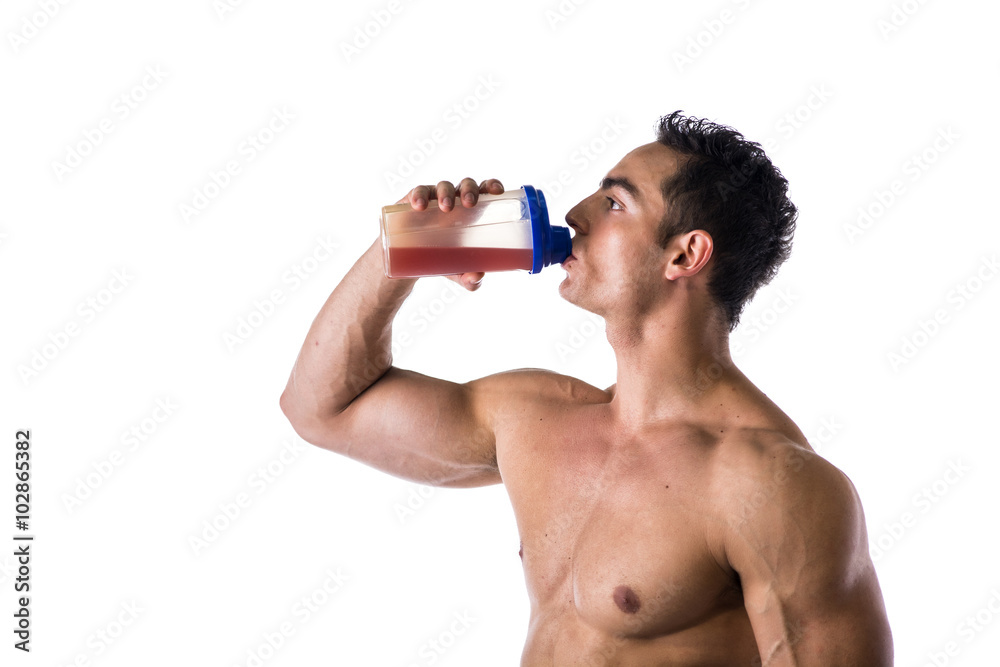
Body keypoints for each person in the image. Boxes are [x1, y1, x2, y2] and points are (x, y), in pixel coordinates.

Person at [279, 111, 893, 665]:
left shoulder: (773, 485)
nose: (575, 215)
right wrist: (403, 249)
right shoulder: (535, 419)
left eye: (615, 203)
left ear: (685, 255)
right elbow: (320, 408)